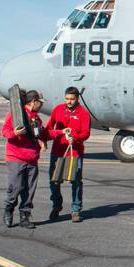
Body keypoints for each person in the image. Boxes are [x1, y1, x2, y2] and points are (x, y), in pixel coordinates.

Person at [1, 90, 48, 229]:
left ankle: (25, 216)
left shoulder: (36, 119)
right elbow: (4, 131)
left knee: (29, 190)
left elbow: (41, 133)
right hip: (16, 157)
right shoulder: (15, 115)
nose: (41, 105)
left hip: (32, 159)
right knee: (15, 188)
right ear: (34, 101)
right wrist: (14, 133)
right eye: (40, 102)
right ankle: (9, 209)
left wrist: (44, 139)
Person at [46, 86, 92, 222]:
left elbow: (86, 132)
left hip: (75, 153)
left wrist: (75, 138)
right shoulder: (57, 109)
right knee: (54, 180)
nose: (69, 101)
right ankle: (56, 205)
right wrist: (50, 136)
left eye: (72, 99)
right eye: (67, 99)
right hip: (57, 151)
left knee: (76, 181)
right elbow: (49, 128)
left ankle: (76, 210)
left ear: (77, 99)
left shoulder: (83, 113)